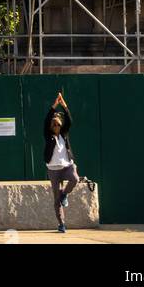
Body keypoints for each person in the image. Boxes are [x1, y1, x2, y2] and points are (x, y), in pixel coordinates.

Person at [44, 90, 79, 233]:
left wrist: (64, 105)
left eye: (58, 125)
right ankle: (61, 224)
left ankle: (65, 194)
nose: (56, 127)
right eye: (54, 125)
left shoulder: (64, 134)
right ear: (51, 126)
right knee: (56, 198)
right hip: (53, 169)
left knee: (75, 179)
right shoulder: (48, 136)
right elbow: (46, 120)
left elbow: (69, 120)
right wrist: (54, 106)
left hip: (67, 166)